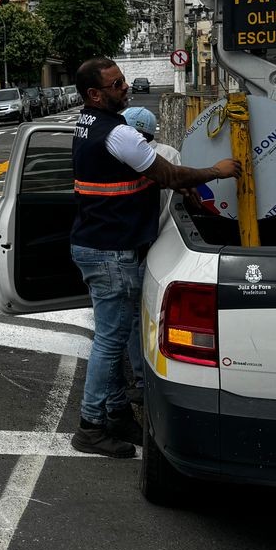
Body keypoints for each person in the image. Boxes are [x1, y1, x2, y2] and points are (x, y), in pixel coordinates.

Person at [69, 57, 239, 458]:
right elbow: (171, 176)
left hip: (96, 243)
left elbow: (135, 177)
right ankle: (90, 426)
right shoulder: (119, 135)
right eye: (115, 85)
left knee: (109, 339)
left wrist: (175, 187)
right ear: (95, 94)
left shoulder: (87, 124)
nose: (125, 88)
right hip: (110, 251)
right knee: (110, 342)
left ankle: (115, 416)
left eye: (123, 81)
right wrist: (217, 170)